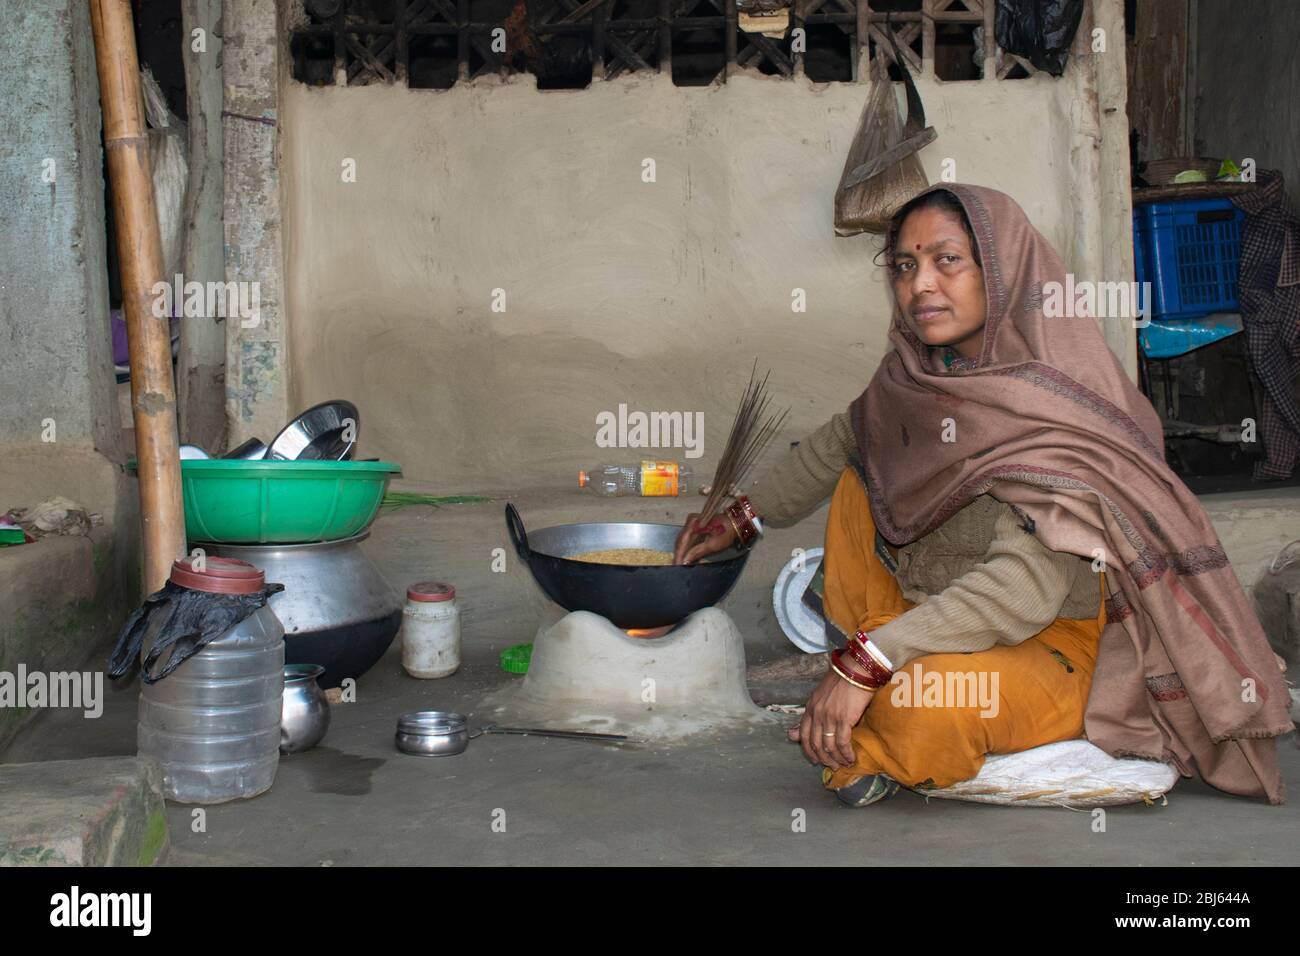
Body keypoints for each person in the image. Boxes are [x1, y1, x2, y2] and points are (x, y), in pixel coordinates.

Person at [674, 184, 1292, 807]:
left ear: (1003, 272)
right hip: (931, 608)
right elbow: (831, 446)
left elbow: (1023, 592)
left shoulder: (1056, 411)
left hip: (1047, 640)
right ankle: (879, 677)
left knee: (923, 708)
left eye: (948, 260)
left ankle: (882, 730)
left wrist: (868, 663)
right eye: (905, 266)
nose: (920, 286)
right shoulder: (912, 380)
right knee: (861, 466)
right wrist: (737, 523)